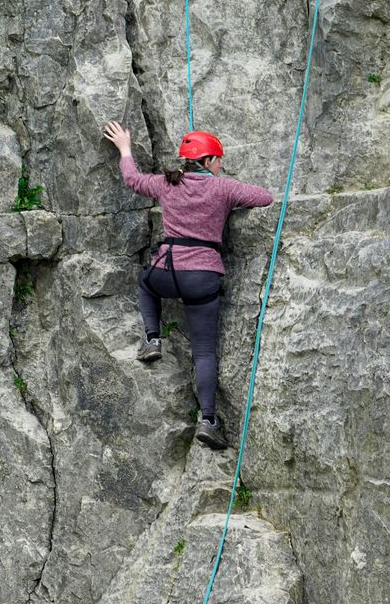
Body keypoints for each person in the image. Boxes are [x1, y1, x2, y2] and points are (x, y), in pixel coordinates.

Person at [103, 120, 273, 448]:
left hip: (166, 272)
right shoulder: (223, 189)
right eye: (218, 160)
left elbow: (133, 180)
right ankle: (208, 420)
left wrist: (125, 148)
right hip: (202, 277)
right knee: (204, 351)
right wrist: (229, 202)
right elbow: (264, 197)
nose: (220, 166)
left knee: (145, 284)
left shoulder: (167, 184)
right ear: (207, 161)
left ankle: (153, 339)